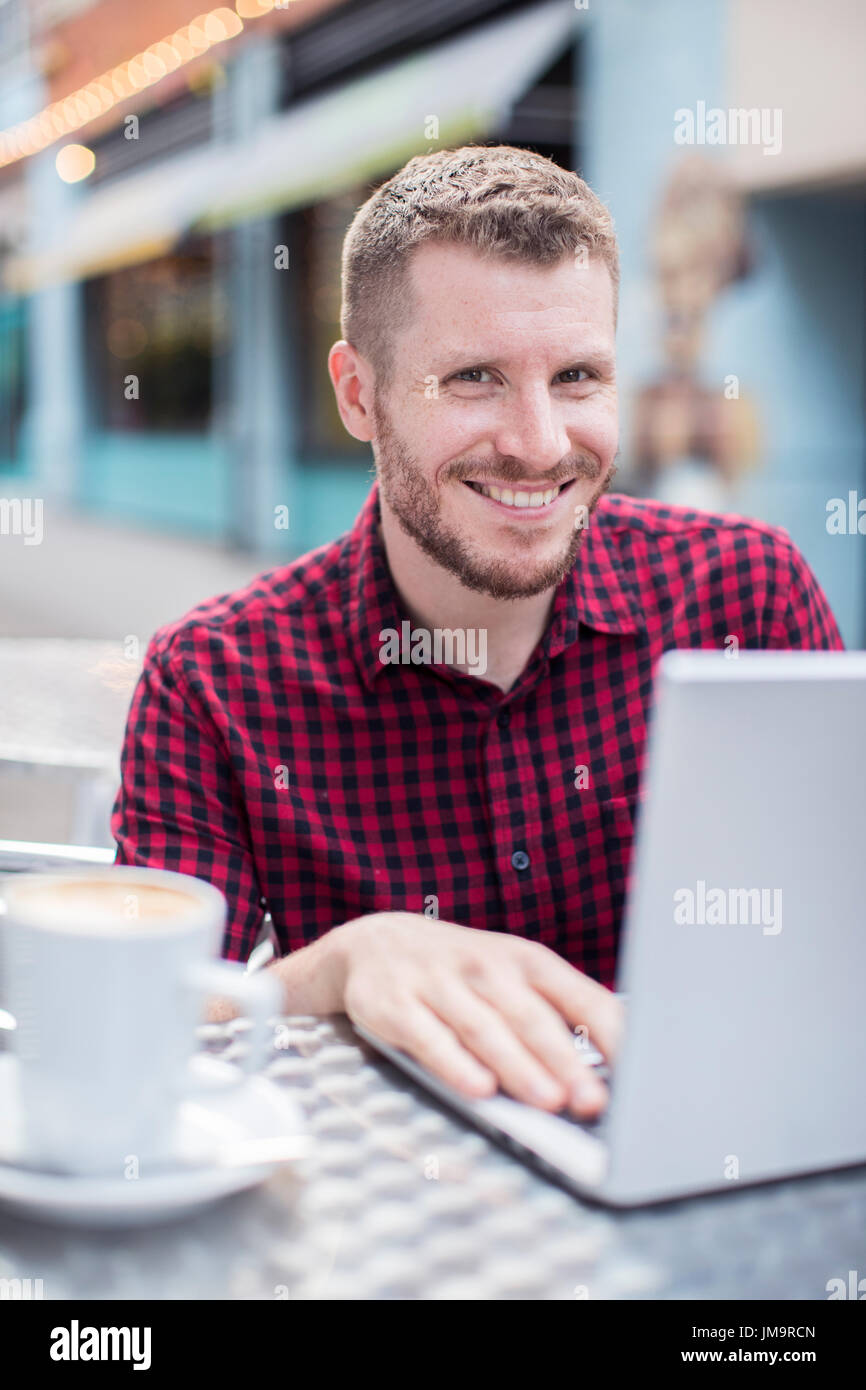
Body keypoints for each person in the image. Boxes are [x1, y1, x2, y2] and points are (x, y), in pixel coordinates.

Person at [113, 145, 843, 1120]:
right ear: (358, 393)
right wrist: (335, 966)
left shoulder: (744, 598)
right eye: (473, 379)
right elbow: (137, 1033)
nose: (540, 443)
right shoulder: (211, 680)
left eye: (577, 375)